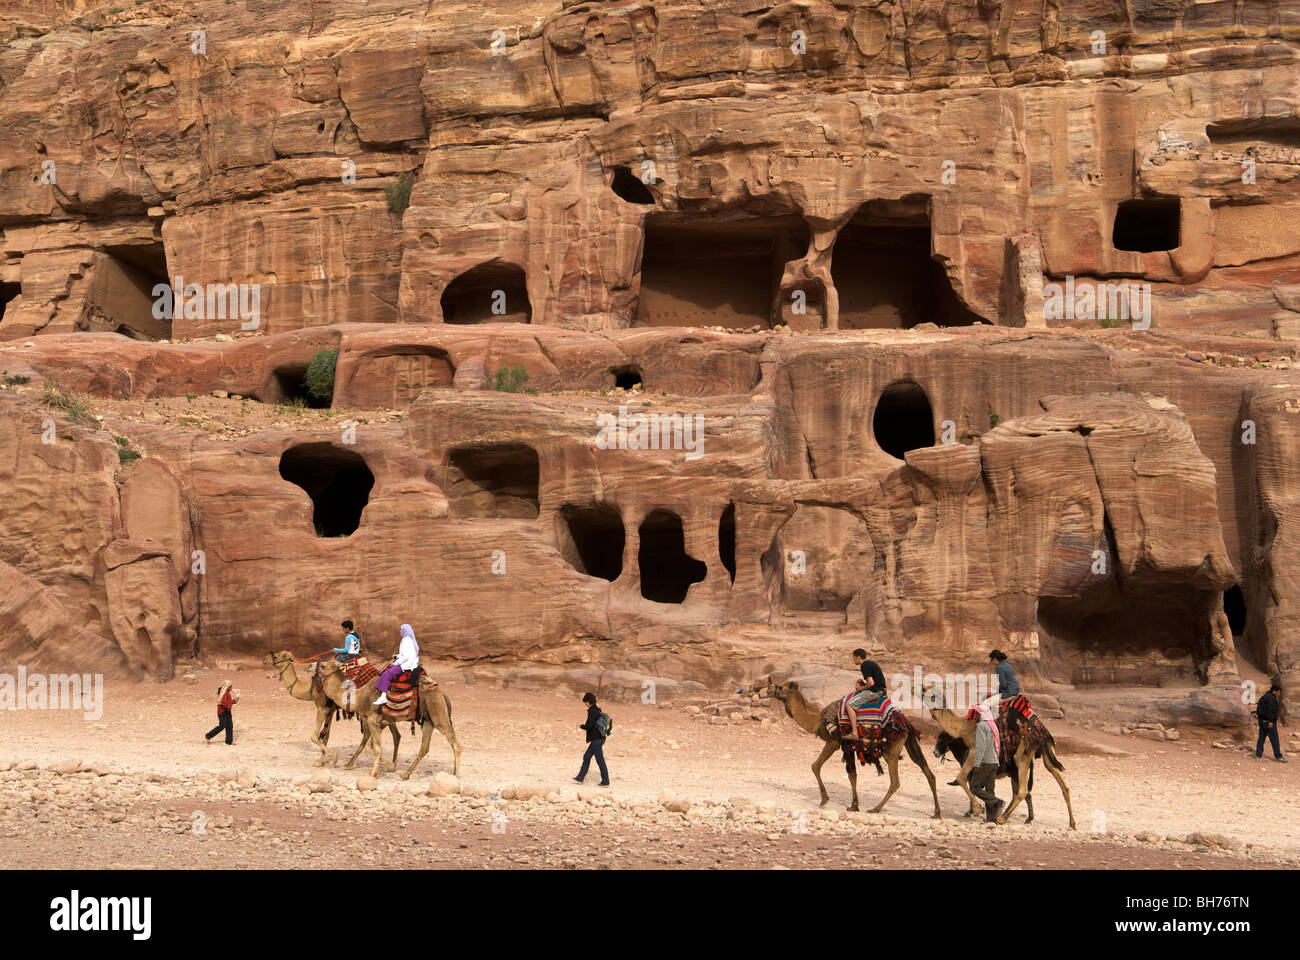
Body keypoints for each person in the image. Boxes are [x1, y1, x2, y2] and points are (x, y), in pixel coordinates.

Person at [968, 705, 1003, 822]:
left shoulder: (981, 726)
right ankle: (992, 819)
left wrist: (977, 764)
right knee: (990, 790)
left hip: (985, 762)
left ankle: (996, 802)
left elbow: (980, 747)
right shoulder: (992, 725)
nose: (976, 716)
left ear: (981, 715)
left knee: (974, 787)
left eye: (977, 714)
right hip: (994, 762)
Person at [843, 648, 887, 741]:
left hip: (874, 691)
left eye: (853, 658)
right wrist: (862, 683)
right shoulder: (870, 663)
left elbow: (871, 683)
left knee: (849, 705)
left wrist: (862, 688)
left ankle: (854, 733)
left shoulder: (864, 665)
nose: (853, 660)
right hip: (880, 690)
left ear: (858, 657)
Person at [374, 623, 419, 707]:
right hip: (412, 664)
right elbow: (408, 654)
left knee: (387, 673)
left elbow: (405, 657)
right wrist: (397, 656)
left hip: (406, 666)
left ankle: (383, 696)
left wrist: (395, 663)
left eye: (401, 630)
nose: (400, 631)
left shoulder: (405, 640)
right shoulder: (411, 640)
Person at [574, 692, 610, 786]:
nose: (585, 704)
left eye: (585, 702)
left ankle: (606, 781)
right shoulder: (597, 709)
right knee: (586, 756)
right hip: (599, 738)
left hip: (596, 739)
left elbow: (589, 726)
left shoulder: (592, 711)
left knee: (600, 760)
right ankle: (580, 778)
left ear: (588, 702)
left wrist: (581, 726)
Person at [1256, 682, 1288, 763]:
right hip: (1268, 722)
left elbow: (1259, 710)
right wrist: (1270, 721)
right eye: (1279, 692)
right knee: (1274, 739)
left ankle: (1258, 754)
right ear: (1274, 691)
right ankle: (1278, 756)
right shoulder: (1271, 698)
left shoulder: (1264, 696)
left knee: (1261, 738)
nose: (1279, 694)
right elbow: (1270, 710)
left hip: (1262, 722)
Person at [204, 681, 239, 745]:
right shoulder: (224, 694)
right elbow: (224, 702)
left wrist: (234, 701)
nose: (231, 688)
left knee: (229, 726)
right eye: (230, 687)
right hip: (222, 712)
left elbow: (228, 702)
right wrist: (231, 704)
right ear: (227, 687)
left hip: (227, 711)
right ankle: (208, 736)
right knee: (222, 726)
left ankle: (229, 741)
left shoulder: (226, 693)